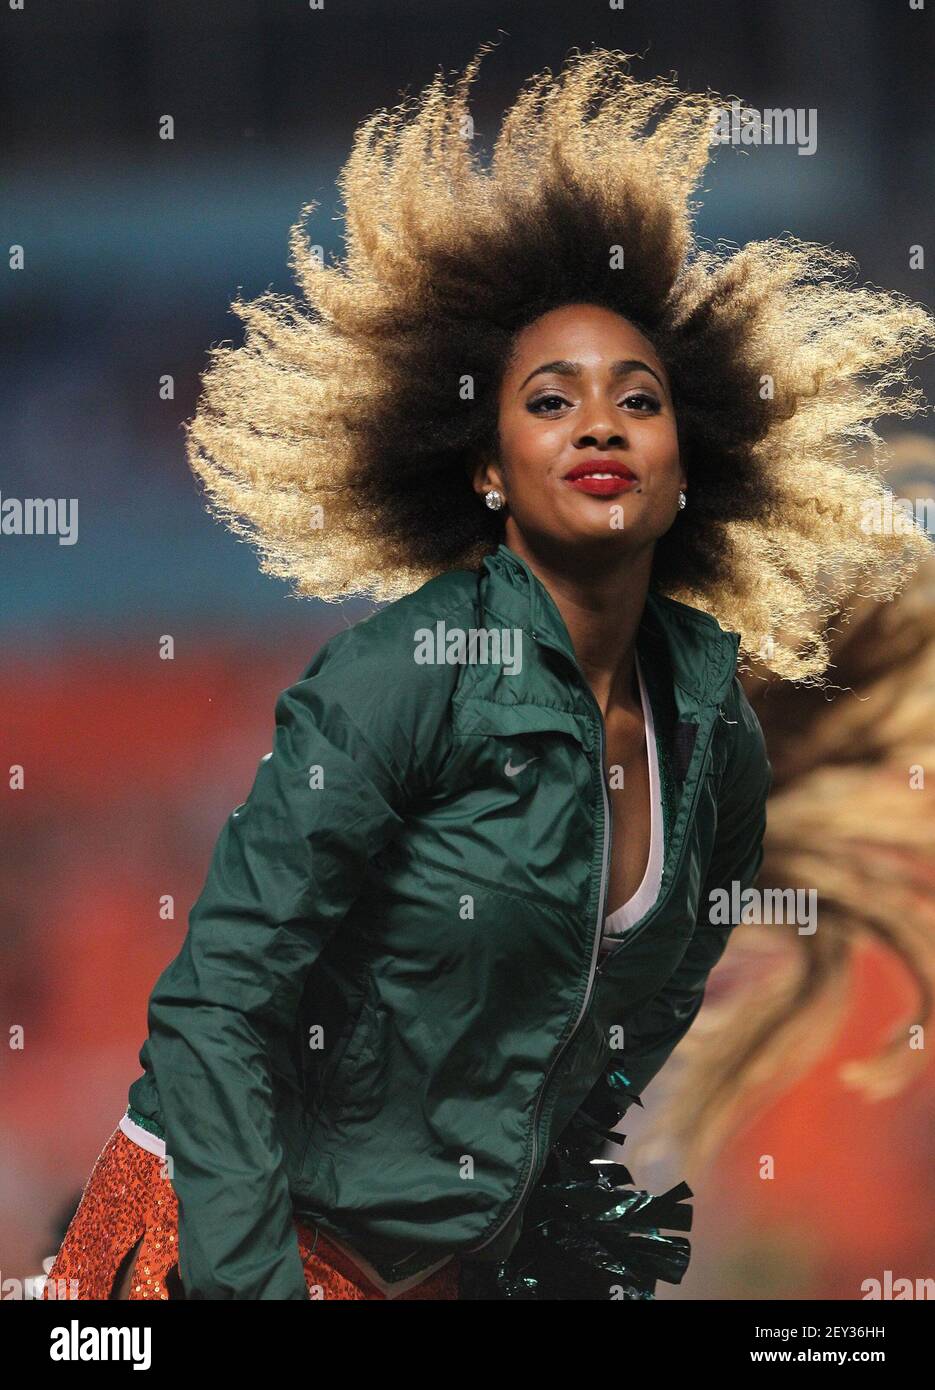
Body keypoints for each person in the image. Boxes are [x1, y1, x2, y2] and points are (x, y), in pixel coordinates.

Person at [42, 46, 934, 1302]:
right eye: (548, 400)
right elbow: (213, 1013)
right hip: (228, 1245)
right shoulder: (403, 670)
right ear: (480, 465)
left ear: (692, 462)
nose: (600, 424)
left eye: (638, 398)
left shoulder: (711, 743)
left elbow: (606, 1051)